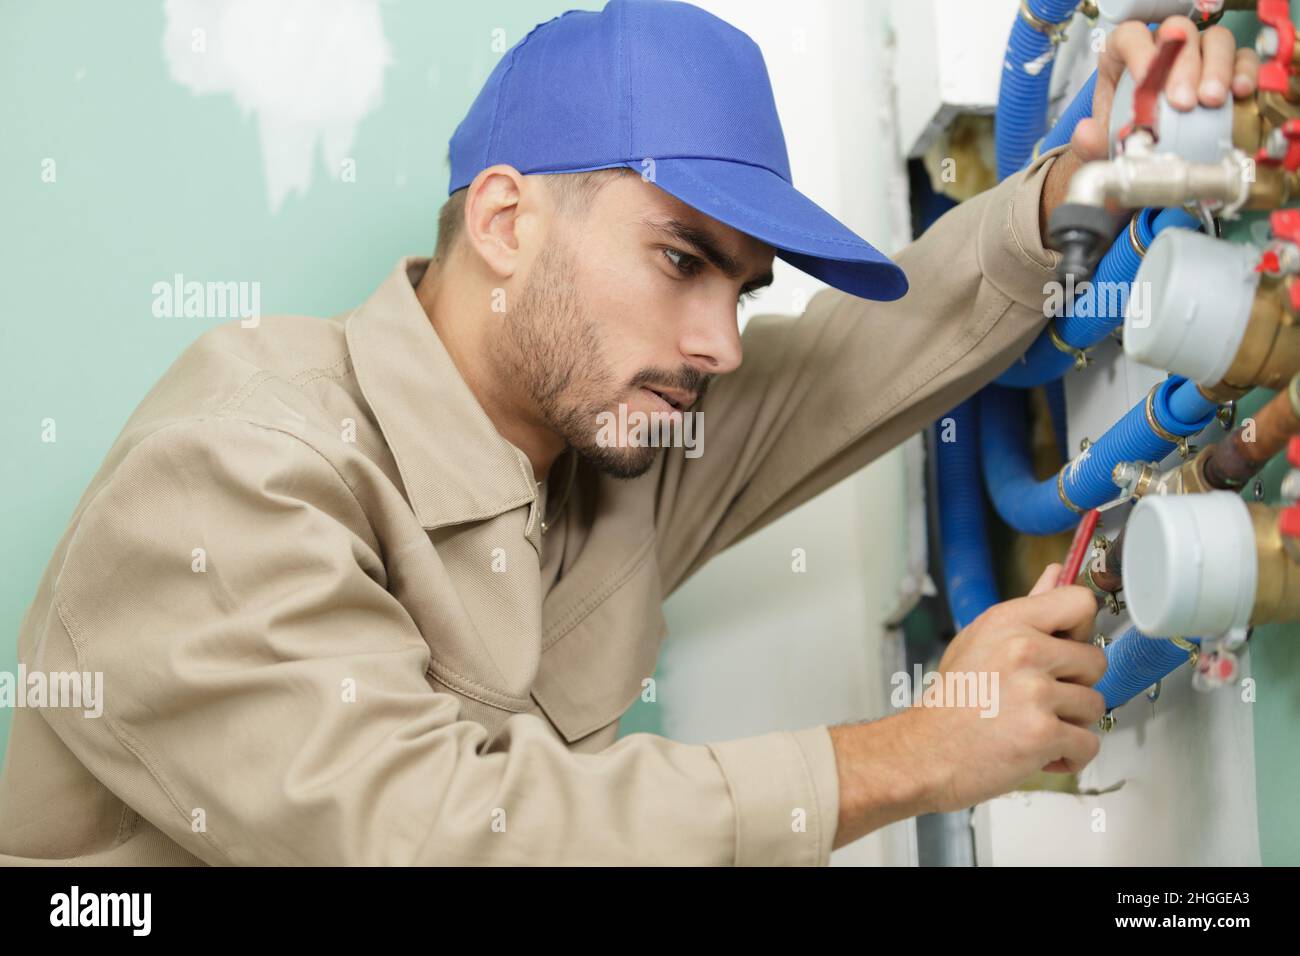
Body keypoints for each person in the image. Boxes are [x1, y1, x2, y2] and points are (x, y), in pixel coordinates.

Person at [0, 1, 1259, 865]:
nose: (717, 341)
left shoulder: (608, 439)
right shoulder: (234, 471)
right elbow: (436, 834)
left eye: (741, 287)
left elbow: (850, 361)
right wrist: (918, 747)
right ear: (504, 223)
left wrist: (1082, 180)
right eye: (677, 259)